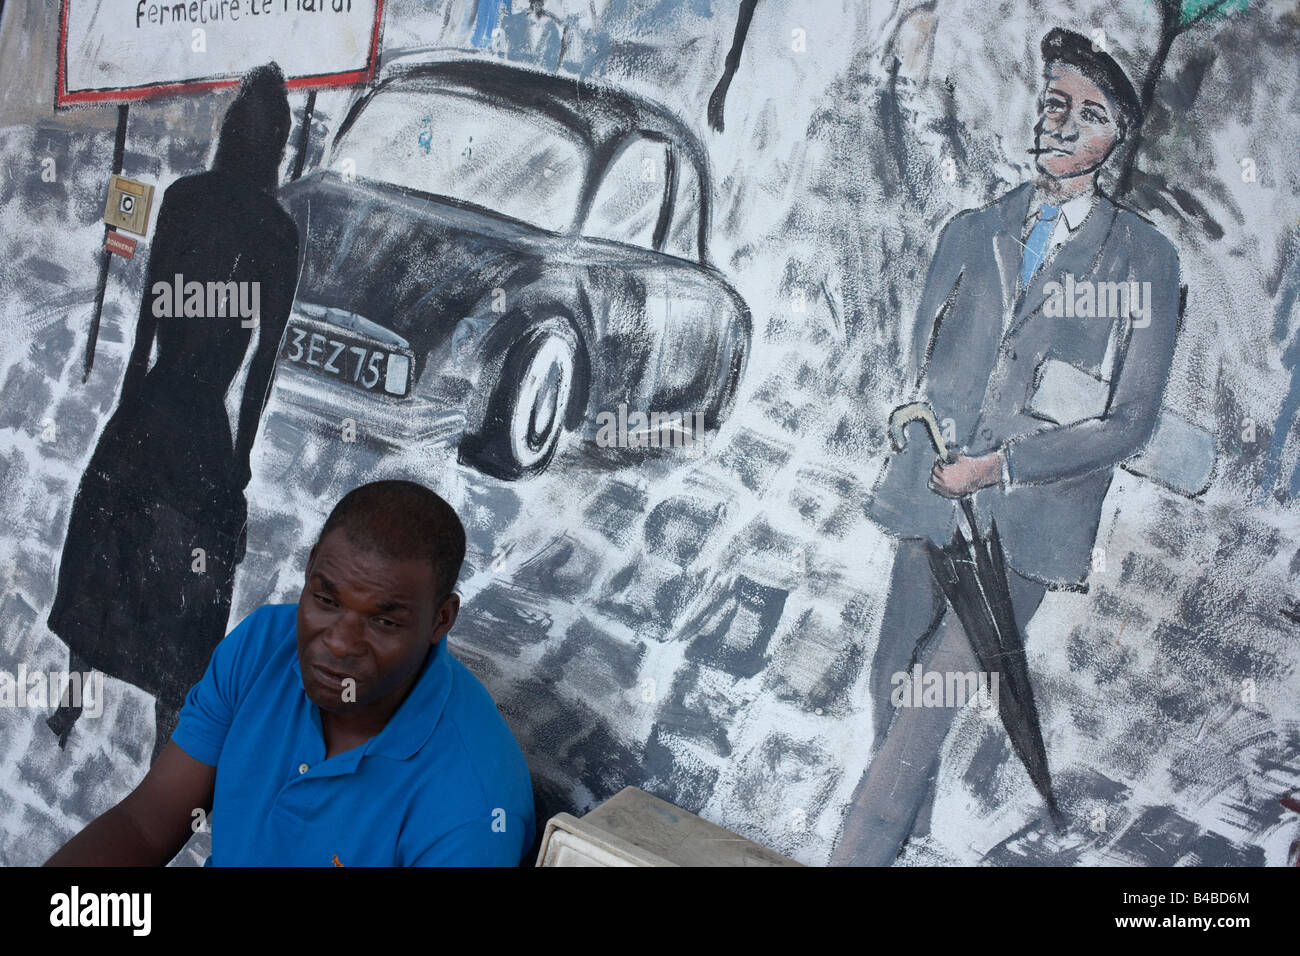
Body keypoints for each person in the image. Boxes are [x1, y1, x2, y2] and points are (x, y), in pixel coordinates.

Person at [831, 28, 1182, 865]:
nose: (1063, 126)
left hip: (1027, 527)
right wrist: (913, 420)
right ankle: (901, 831)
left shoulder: (1146, 260)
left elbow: (1130, 421)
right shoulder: (972, 229)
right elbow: (923, 357)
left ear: (1115, 141)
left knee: (932, 696)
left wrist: (1002, 465)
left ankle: (857, 848)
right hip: (930, 495)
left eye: (1089, 115)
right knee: (892, 673)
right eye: (1055, 104)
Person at [46, 480, 537, 867]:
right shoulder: (263, 646)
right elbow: (144, 824)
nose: (341, 642)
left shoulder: (473, 805)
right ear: (309, 570)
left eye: (384, 620)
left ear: (440, 620)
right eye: (326, 600)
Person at [45, 63, 301, 761]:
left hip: (150, 406)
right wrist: (241, 462)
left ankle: (71, 698)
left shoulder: (186, 198)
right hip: (203, 428)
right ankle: (166, 741)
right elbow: (261, 368)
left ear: (227, 134)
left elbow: (148, 326)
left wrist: (128, 412)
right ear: (276, 144)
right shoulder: (279, 233)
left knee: (106, 550)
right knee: (190, 595)